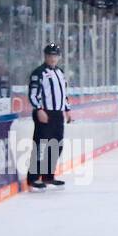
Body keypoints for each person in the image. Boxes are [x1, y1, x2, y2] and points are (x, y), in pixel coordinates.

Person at [27, 43, 71, 190]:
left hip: (58, 114)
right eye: (50, 55)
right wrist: (39, 109)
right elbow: (33, 94)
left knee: (56, 145)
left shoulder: (60, 72)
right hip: (44, 113)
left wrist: (67, 109)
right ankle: (33, 178)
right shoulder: (38, 73)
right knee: (41, 145)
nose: (53, 58)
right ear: (45, 56)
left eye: (55, 55)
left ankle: (48, 176)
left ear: (59, 57)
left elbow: (63, 94)